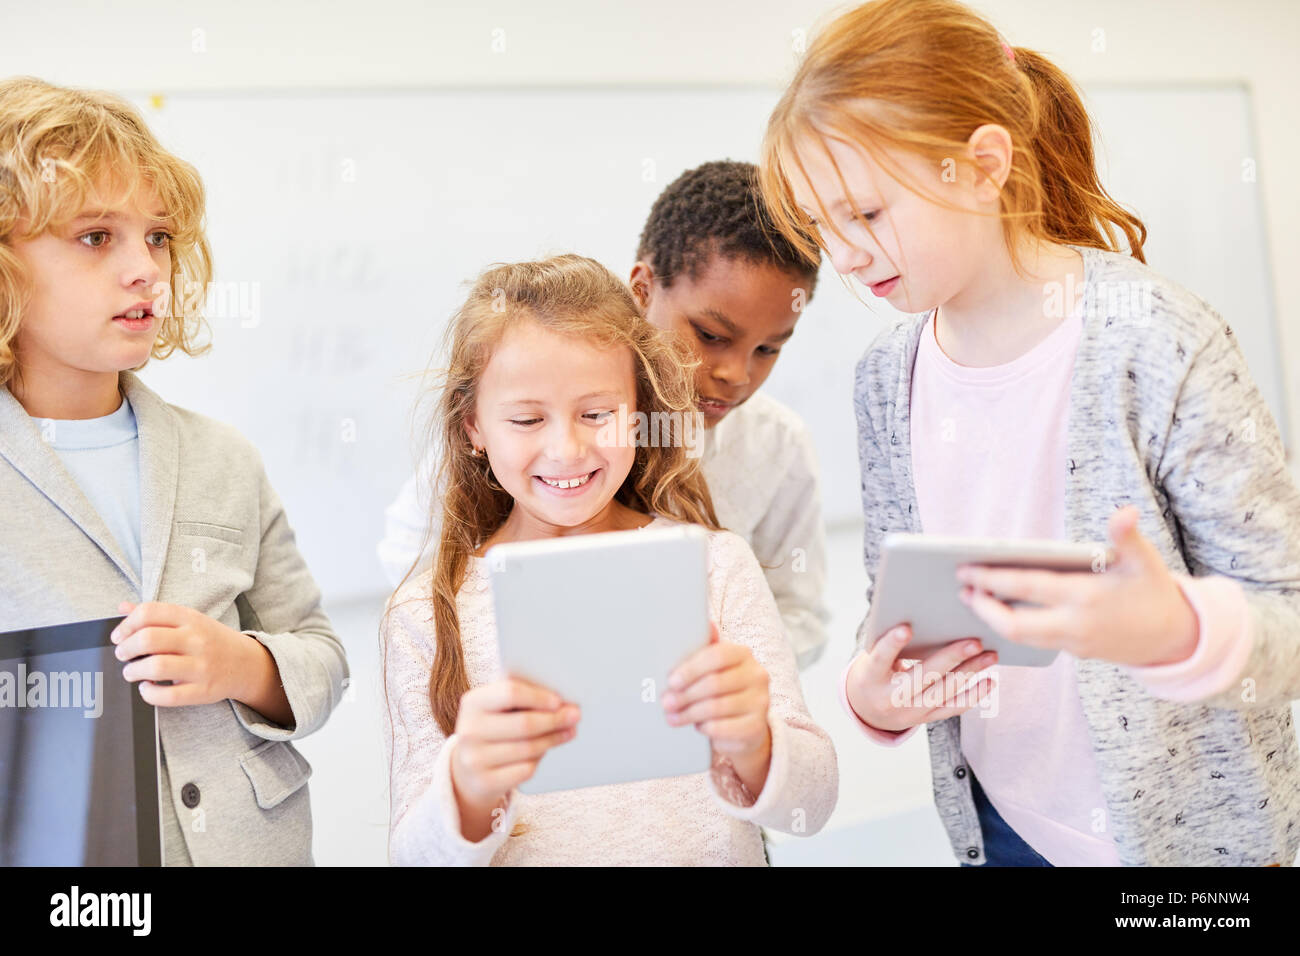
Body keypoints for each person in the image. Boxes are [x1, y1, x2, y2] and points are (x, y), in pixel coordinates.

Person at [756, 0, 1300, 866]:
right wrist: (875, 693)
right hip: (1001, 830)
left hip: (1188, 848)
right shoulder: (884, 378)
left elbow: (1288, 616)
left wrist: (1180, 633)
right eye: (824, 228)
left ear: (983, 166)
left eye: (865, 213)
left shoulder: (1155, 337)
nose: (848, 256)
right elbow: (896, 612)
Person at [380, 254, 837, 865]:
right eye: (525, 419)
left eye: (597, 414)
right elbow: (413, 857)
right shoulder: (422, 614)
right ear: (473, 426)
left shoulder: (714, 566)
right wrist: (468, 785)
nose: (566, 449)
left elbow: (811, 805)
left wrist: (755, 743)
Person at [0, 76, 349, 865]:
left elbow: (323, 656)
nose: (145, 270)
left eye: (157, 238)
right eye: (97, 237)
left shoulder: (222, 457)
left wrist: (241, 664)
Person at [379, 161, 831, 668]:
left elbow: (800, 612)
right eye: (710, 336)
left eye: (768, 349)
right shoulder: (536, 412)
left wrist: (700, 666)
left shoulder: (778, 446)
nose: (736, 373)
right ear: (642, 288)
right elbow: (415, 559)